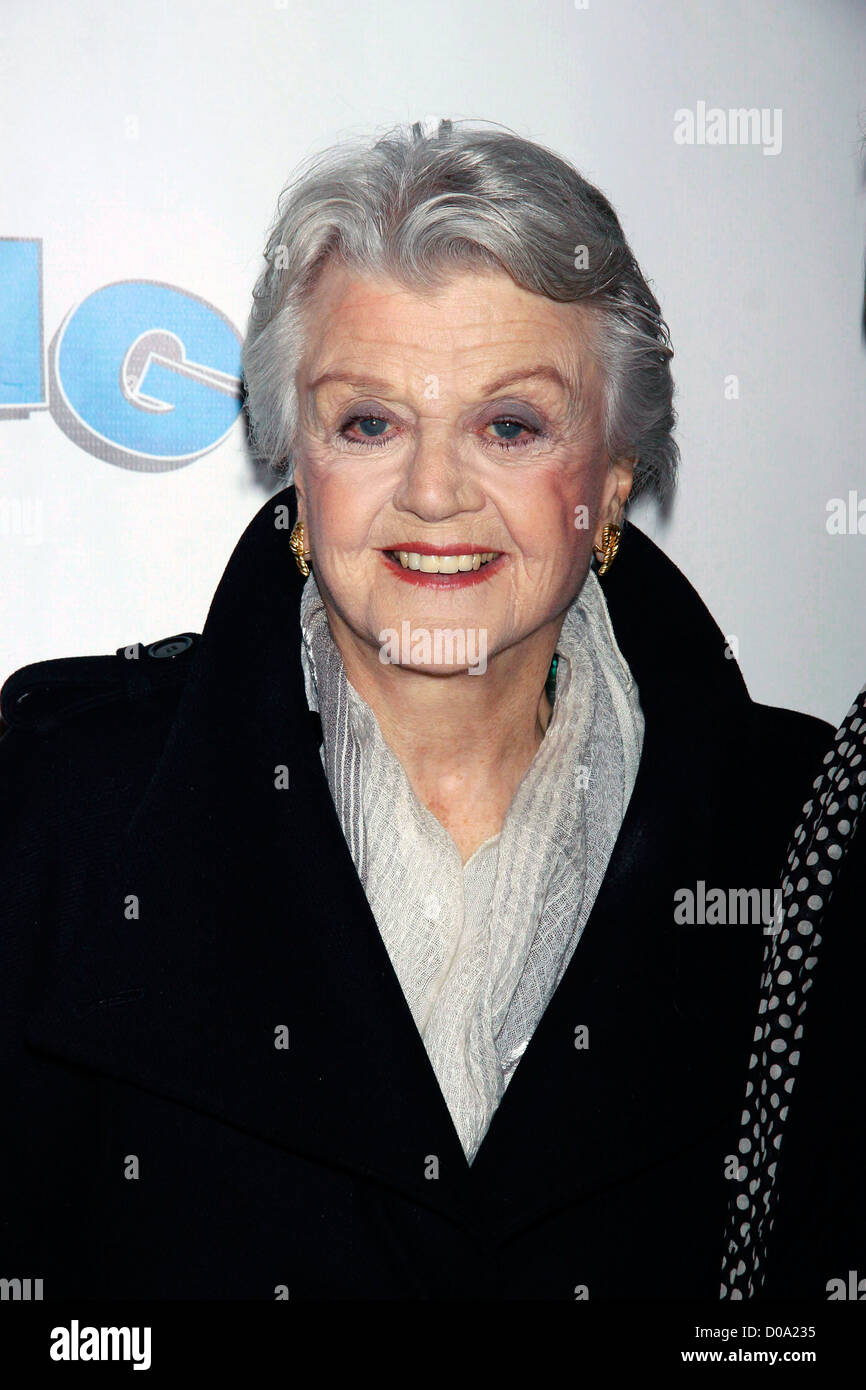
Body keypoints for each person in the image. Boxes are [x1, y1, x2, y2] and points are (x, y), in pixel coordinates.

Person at [1, 118, 861, 1300]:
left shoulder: (800, 831)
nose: (432, 490)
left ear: (612, 472)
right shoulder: (60, 804)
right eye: (369, 422)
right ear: (292, 456)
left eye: (508, 426)